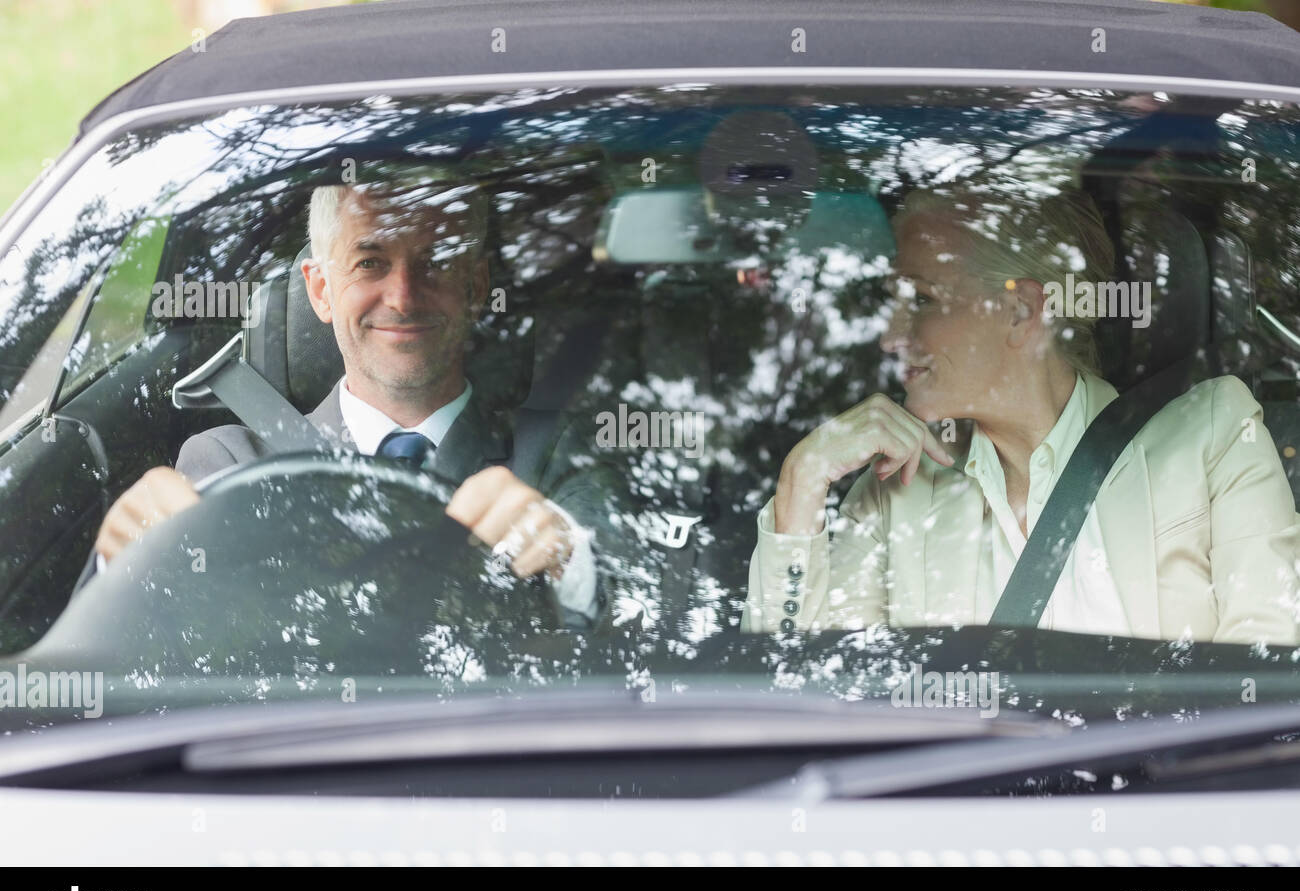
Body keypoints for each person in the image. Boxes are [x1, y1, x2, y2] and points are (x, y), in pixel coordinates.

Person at [743, 184, 1299, 644]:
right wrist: (801, 483)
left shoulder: (1214, 436)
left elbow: (1269, 689)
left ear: (1020, 312)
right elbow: (798, 697)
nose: (890, 338)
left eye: (922, 300)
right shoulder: (896, 491)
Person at [91, 174, 616, 620]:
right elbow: (156, 639)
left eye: (435, 261)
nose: (404, 296)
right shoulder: (233, 463)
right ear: (320, 290)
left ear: (477, 287)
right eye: (370, 262)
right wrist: (125, 564)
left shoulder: (557, 456)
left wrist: (568, 562)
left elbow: (642, 612)